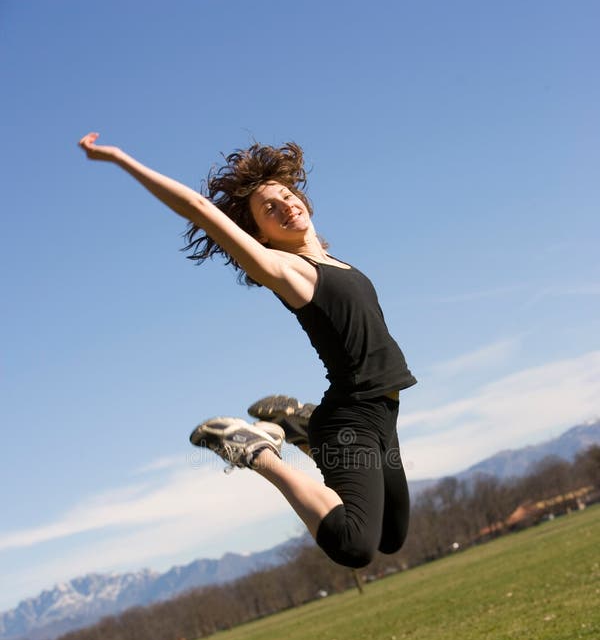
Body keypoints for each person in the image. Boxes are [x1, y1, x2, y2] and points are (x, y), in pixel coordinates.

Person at [78, 134, 417, 568]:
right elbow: (198, 210)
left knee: (391, 537)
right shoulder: (288, 270)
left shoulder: (335, 262)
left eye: (287, 195)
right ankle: (255, 449)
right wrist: (120, 159)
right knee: (353, 545)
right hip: (351, 417)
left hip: (383, 413)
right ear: (259, 233)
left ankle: (303, 427)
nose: (285, 205)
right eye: (269, 209)